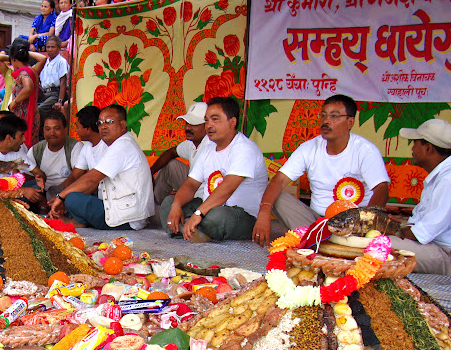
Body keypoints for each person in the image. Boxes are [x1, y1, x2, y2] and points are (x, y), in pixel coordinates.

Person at [253, 94, 390, 246]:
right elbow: (279, 180)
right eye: (323, 115)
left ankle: (324, 243)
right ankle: (319, 240)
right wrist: (264, 213)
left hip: (352, 227)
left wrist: (365, 224)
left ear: (350, 122)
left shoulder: (365, 150)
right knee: (277, 197)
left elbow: (381, 189)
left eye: (334, 116)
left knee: (362, 234)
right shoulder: (309, 148)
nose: (326, 121)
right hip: (315, 222)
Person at [165, 97, 266, 242]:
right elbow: (190, 184)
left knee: (216, 217)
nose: (209, 125)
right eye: (206, 120)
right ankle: (196, 232)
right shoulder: (207, 150)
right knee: (168, 205)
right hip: (209, 209)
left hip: (241, 215)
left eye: (215, 119)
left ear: (232, 122)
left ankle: (191, 230)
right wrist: (176, 205)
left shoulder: (244, 148)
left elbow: (227, 187)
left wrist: (198, 213)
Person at [50, 104, 154, 230]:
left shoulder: (122, 146)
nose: (103, 126)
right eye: (100, 123)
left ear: (122, 125)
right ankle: (80, 220)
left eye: (109, 122)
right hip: (125, 209)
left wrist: (61, 196)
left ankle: (78, 222)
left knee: (72, 198)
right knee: (75, 196)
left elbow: (92, 179)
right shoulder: (119, 143)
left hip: (128, 218)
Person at [383, 119, 451, 275]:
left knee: (375, 247)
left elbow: (422, 233)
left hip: (444, 252)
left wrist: (387, 231)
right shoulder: (441, 176)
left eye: (415, 143)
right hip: (434, 245)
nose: (412, 149)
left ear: (428, 148)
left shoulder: (448, 180)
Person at [0, 114, 47, 208]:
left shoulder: (17, 151)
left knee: (37, 188)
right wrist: (23, 191)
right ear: (9, 138)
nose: (24, 140)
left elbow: (39, 173)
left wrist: (40, 178)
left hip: (10, 195)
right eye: (21, 136)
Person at [156, 102, 210, 229]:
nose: (187, 128)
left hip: (204, 200)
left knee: (165, 209)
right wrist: (149, 172)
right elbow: (171, 152)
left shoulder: (211, 144)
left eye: (194, 124)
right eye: (187, 123)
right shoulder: (191, 143)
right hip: (192, 189)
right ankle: (151, 202)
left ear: (207, 125)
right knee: (172, 165)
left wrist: (178, 202)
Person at [0, 39, 41, 147]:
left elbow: (28, 87)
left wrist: (15, 102)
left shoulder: (24, 73)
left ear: (13, 59)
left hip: (24, 114)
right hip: (32, 113)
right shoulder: (32, 70)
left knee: (20, 145)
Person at [56, 105, 106, 196]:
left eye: (78, 127)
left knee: (72, 199)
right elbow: (74, 176)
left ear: (88, 128)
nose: (76, 130)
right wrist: (57, 192)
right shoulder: (87, 147)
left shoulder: (107, 146)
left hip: (107, 200)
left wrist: (63, 198)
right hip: (93, 193)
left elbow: (93, 183)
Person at [30, 110, 81, 198]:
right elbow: (27, 176)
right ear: (43, 130)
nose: (52, 133)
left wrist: (57, 197)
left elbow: (75, 177)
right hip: (42, 192)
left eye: (56, 128)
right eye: (48, 129)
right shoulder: (36, 150)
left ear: (65, 130)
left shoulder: (75, 147)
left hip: (66, 191)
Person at [35, 36, 69, 119]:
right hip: (44, 94)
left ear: (59, 48)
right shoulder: (45, 62)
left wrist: (60, 101)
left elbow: (63, 82)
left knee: (40, 109)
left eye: (52, 47)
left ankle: (41, 131)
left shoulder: (61, 62)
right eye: (48, 47)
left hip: (55, 94)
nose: (50, 49)